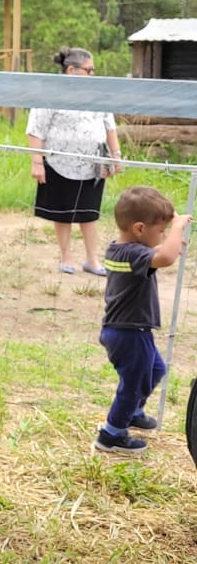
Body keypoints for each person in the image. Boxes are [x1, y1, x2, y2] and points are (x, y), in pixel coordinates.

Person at [94, 186, 190, 456]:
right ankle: (112, 434)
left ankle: (133, 411)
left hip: (128, 330)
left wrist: (161, 242)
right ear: (139, 229)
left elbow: (156, 253)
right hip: (129, 333)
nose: (163, 236)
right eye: (160, 231)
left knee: (155, 370)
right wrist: (176, 229)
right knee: (133, 383)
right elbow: (166, 258)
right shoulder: (135, 254)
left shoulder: (119, 249)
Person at [26, 47, 121, 276]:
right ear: (71, 70)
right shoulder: (51, 93)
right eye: (89, 70)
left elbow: (110, 127)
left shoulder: (98, 94)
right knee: (63, 212)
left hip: (92, 164)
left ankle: (92, 259)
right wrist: (37, 162)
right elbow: (35, 131)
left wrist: (116, 156)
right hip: (59, 162)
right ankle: (66, 256)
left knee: (90, 213)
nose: (92, 74)